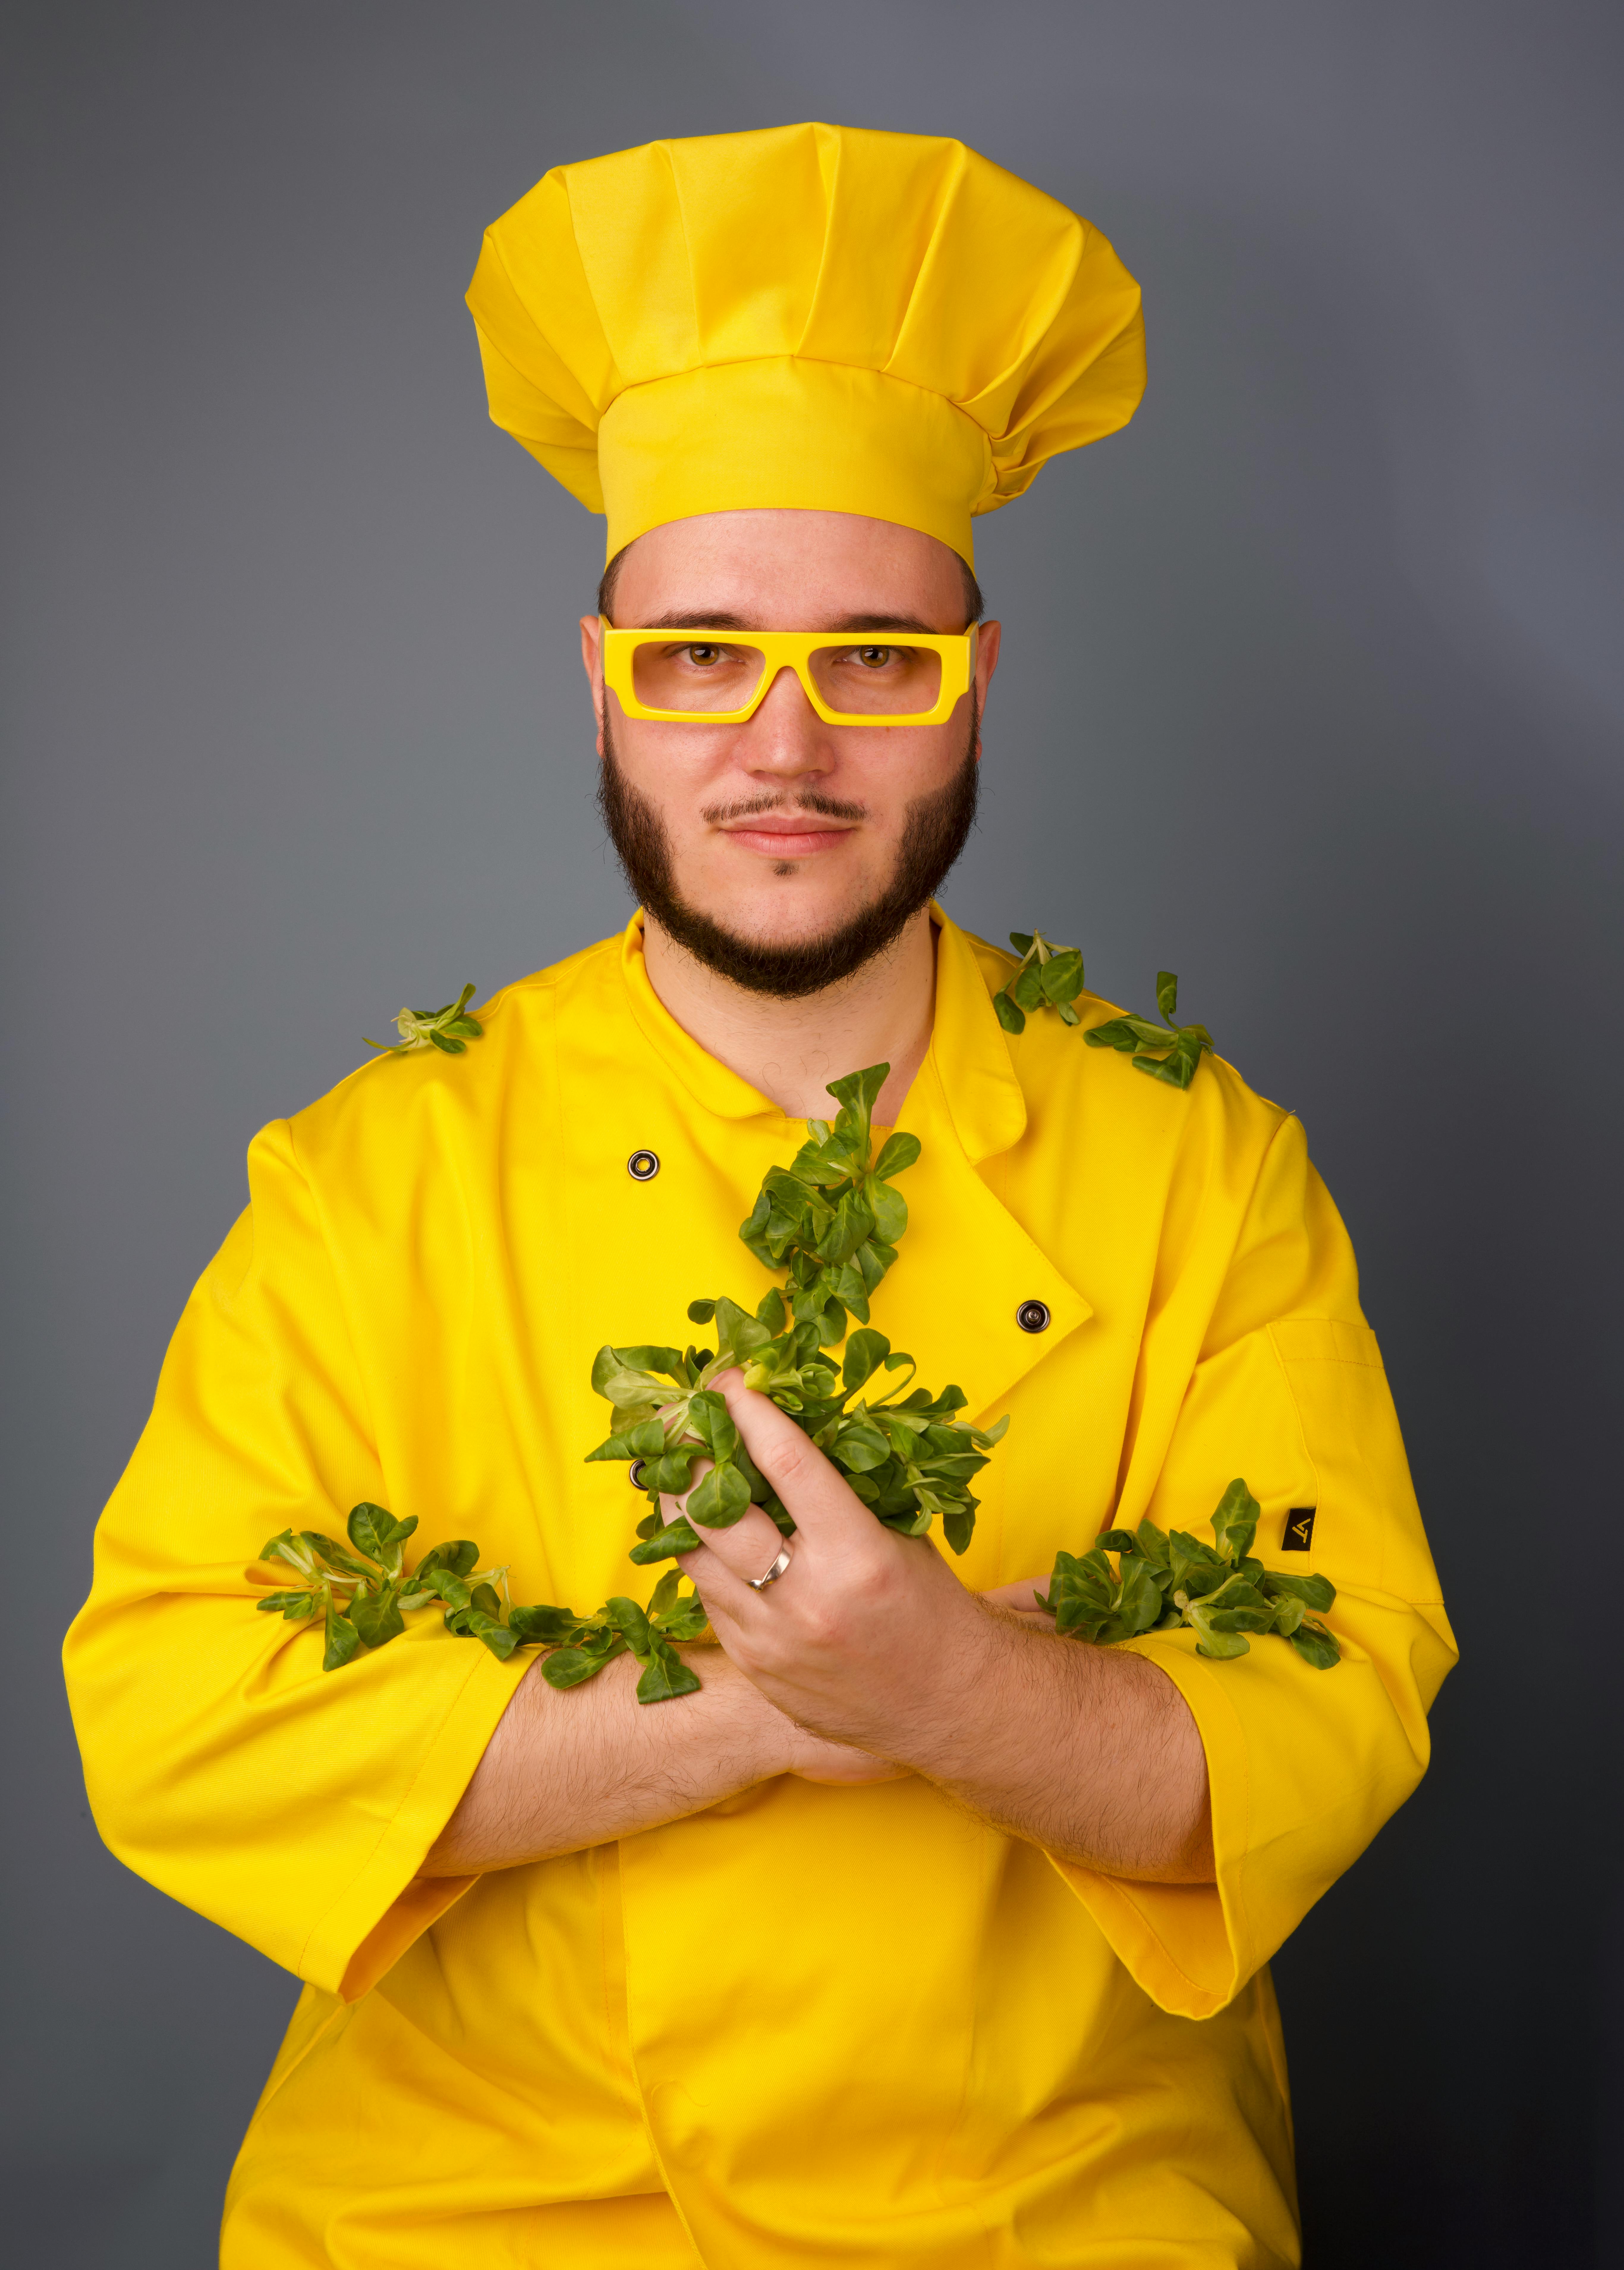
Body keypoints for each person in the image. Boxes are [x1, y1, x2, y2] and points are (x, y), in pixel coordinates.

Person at [64, 122, 1455, 2268]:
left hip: (1050, 2200)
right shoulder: (373, 1171)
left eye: (871, 658)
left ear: (974, 680)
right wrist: (778, 1710)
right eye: (699, 653)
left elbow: (1336, 1703)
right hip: (462, 2201)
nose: (780, 744)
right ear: (602, 681)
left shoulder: (1201, 1163)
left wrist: (967, 1704)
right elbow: (173, 1712)